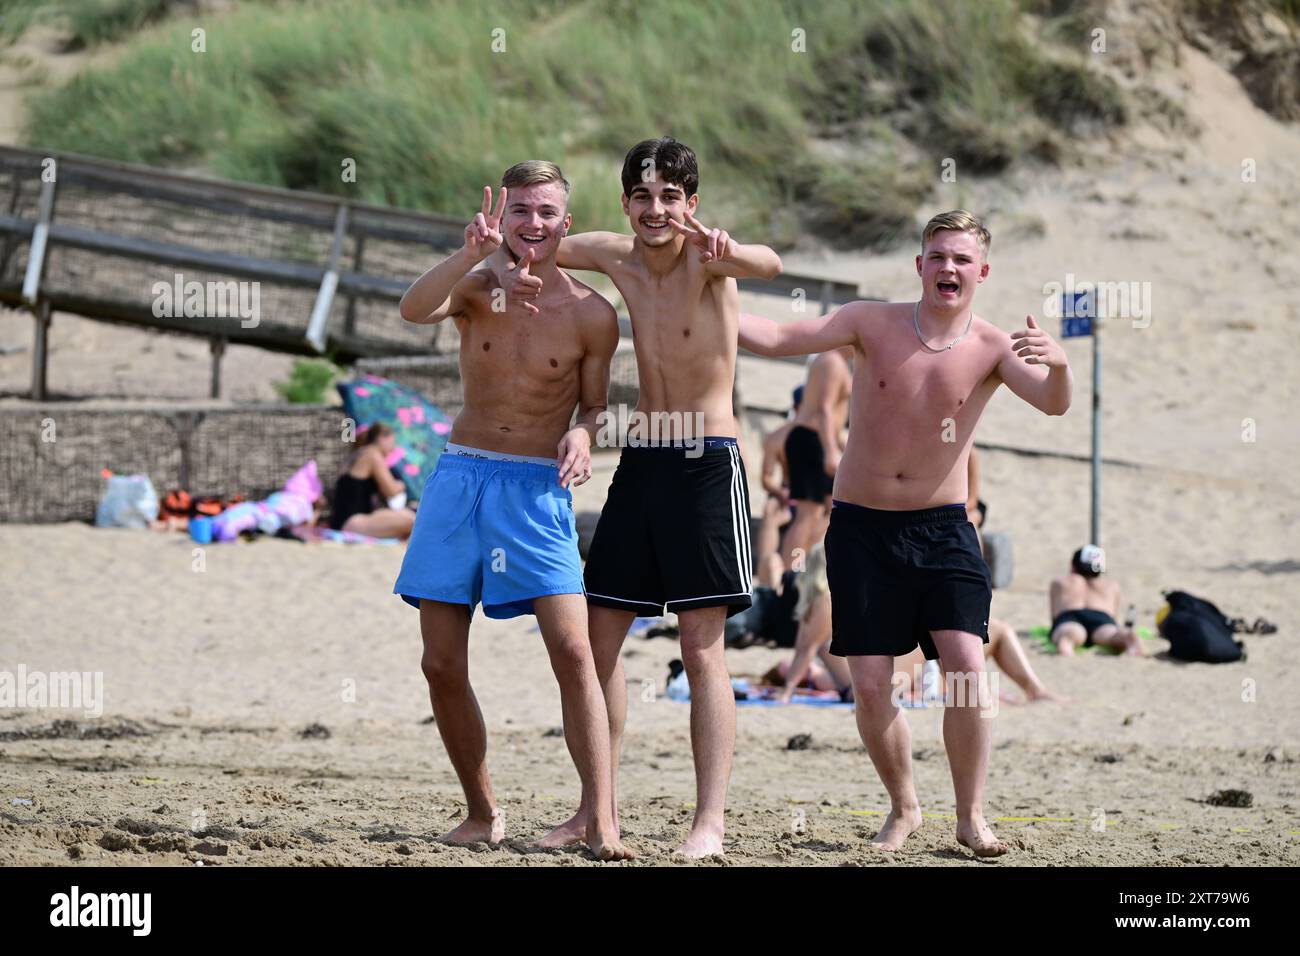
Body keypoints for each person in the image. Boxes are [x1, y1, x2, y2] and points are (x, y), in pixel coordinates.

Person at [738, 209, 1073, 857]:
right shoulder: (871, 322)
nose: (948, 268)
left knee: (968, 666)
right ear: (920, 265)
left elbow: (1055, 403)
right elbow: (781, 333)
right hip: (861, 528)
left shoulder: (994, 346)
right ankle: (904, 807)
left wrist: (1058, 364)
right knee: (868, 683)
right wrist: (703, 304)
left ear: (982, 271)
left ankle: (971, 816)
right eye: (937, 256)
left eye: (960, 259)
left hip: (944, 530)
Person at [500, 136, 782, 857]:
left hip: (706, 462)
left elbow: (770, 263)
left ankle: (708, 824)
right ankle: (597, 812)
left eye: (670, 197)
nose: (656, 209)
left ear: (691, 204)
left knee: (700, 648)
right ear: (626, 202)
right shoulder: (617, 254)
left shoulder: (711, 256)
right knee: (594, 647)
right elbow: (541, 242)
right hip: (643, 462)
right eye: (642, 196)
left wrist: (725, 244)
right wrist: (507, 239)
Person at [393, 162, 630, 860]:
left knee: (575, 649)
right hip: (461, 478)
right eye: (521, 211)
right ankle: (481, 809)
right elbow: (413, 310)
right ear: (505, 216)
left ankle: (602, 817)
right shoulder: (476, 288)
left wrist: (584, 434)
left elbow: (594, 404)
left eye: (547, 212)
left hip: (534, 489)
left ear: (567, 220)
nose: (534, 224)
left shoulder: (593, 312)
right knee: (440, 662)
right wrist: (471, 255)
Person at [782, 345, 853, 571]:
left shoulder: (837, 362)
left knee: (832, 509)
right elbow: (824, 408)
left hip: (819, 439)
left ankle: (803, 568)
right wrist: (831, 450)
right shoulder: (831, 361)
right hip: (812, 440)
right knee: (807, 513)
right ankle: (790, 574)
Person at [1049, 545, 1143, 656]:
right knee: (1114, 635)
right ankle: (1128, 638)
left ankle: (1066, 647)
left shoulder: (1060, 582)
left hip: (1070, 616)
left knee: (1069, 635)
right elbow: (1113, 615)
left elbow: (1054, 616)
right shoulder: (1111, 585)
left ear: (1073, 566)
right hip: (1101, 618)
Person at [331, 422, 416, 539]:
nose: (392, 448)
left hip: (342, 519)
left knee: (406, 515)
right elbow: (391, 491)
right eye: (392, 443)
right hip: (352, 522)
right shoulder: (373, 455)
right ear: (382, 438)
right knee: (412, 520)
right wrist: (402, 485)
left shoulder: (358, 453)